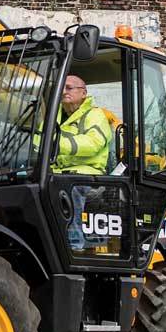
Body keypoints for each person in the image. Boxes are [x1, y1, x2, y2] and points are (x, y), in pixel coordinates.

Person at [51, 75, 113, 251]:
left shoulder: (96, 115)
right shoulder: (54, 115)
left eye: (69, 88)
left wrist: (55, 144)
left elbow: (93, 143)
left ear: (83, 93)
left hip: (88, 175)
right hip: (56, 172)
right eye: (62, 88)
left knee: (72, 190)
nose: (63, 91)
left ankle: (74, 245)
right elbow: (38, 140)